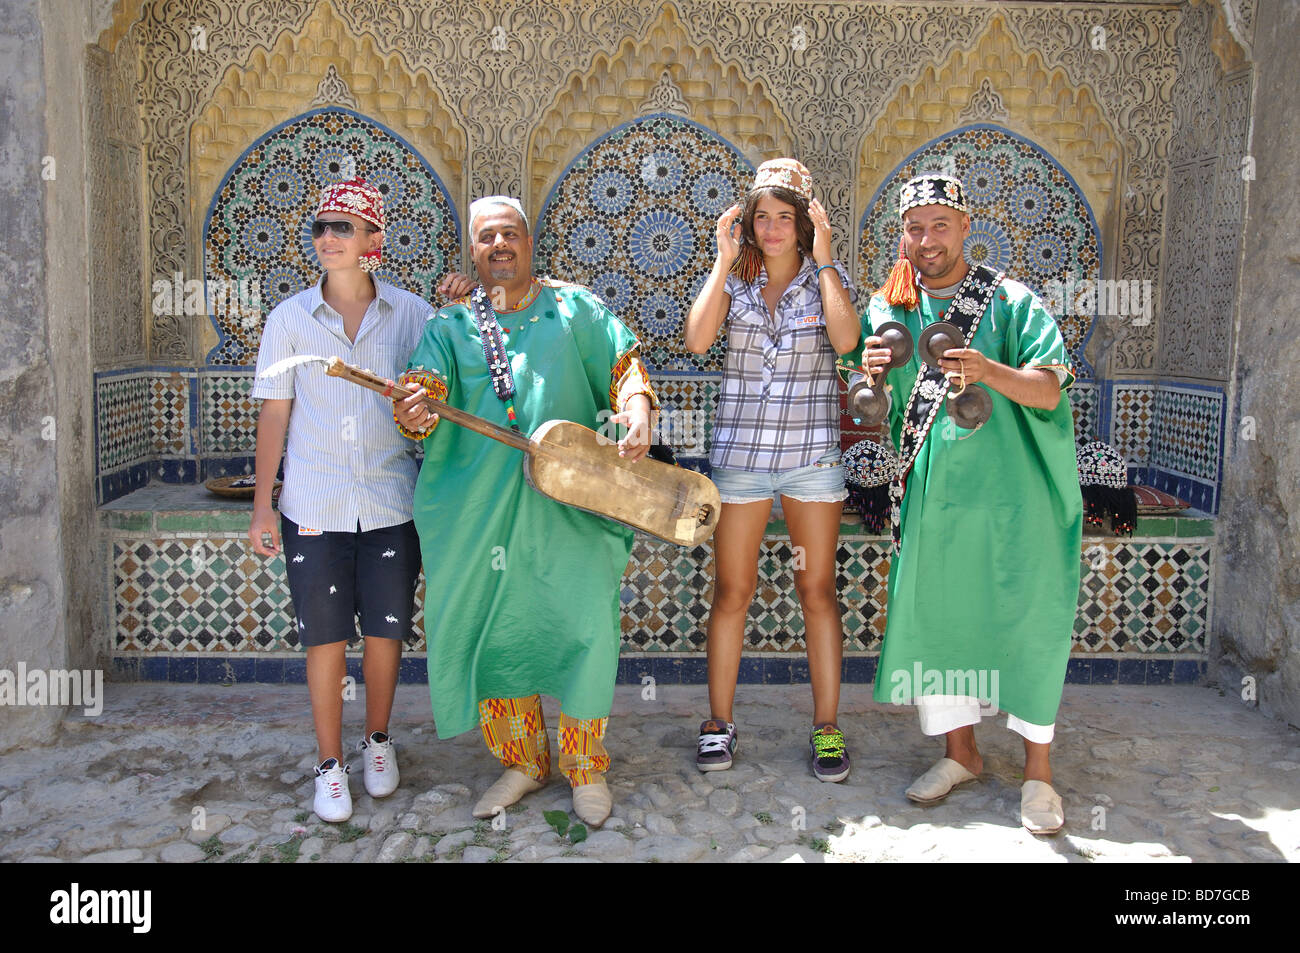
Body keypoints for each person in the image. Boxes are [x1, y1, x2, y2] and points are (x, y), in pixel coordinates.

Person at [392, 196, 656, 828]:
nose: (500, 245)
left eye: (511, 233)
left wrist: (637, 411)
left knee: (585, 631)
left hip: (571, 513)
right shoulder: (451, 326)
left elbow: (625, 366)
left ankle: (586, 769)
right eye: (487, 238)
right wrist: (414, 408)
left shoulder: (574, 309)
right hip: (479, 516)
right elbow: (423, 389)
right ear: (473, 250)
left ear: (529, 242)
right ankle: (524, 763)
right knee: (498, 636)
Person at [861, 172, 1082, 833]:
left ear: (965, 226)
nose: (926, 240)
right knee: (940, 622)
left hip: (1018, 502)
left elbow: (1048, 391)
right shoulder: (894, 307)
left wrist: (989, 370)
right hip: (936, 502)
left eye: (939, 225)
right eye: (914, 227)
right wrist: (867, 370)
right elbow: (880, 400)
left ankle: (1039, 774)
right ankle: (962, 755)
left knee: (1028, 622)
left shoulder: (1012, 302)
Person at [248, 178, 431, 823]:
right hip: (314, 505)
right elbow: (276, 415)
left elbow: (443, 392)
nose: (328, 238)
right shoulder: (290, 319)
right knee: (324, 638)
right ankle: (329, 765)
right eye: (321, 227)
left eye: (343, 227)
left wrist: (464, 301)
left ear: (374, 241)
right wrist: (264, 505)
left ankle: (377, 742)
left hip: (390, 501)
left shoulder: (411, 316)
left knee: (386, 634)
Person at [684, 159, 863, 781]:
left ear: (806, 225)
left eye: (786, 217)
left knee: (816, 591)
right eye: (763, 216)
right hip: (741, 464)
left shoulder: (824, 284)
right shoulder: (733, 283)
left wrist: (828, 258)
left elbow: (847, 342)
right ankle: (718, 724)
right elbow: (698, 340)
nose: (773, 227)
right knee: (732, 591)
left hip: (811, 463)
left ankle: (827, 729)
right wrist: (720, 260)